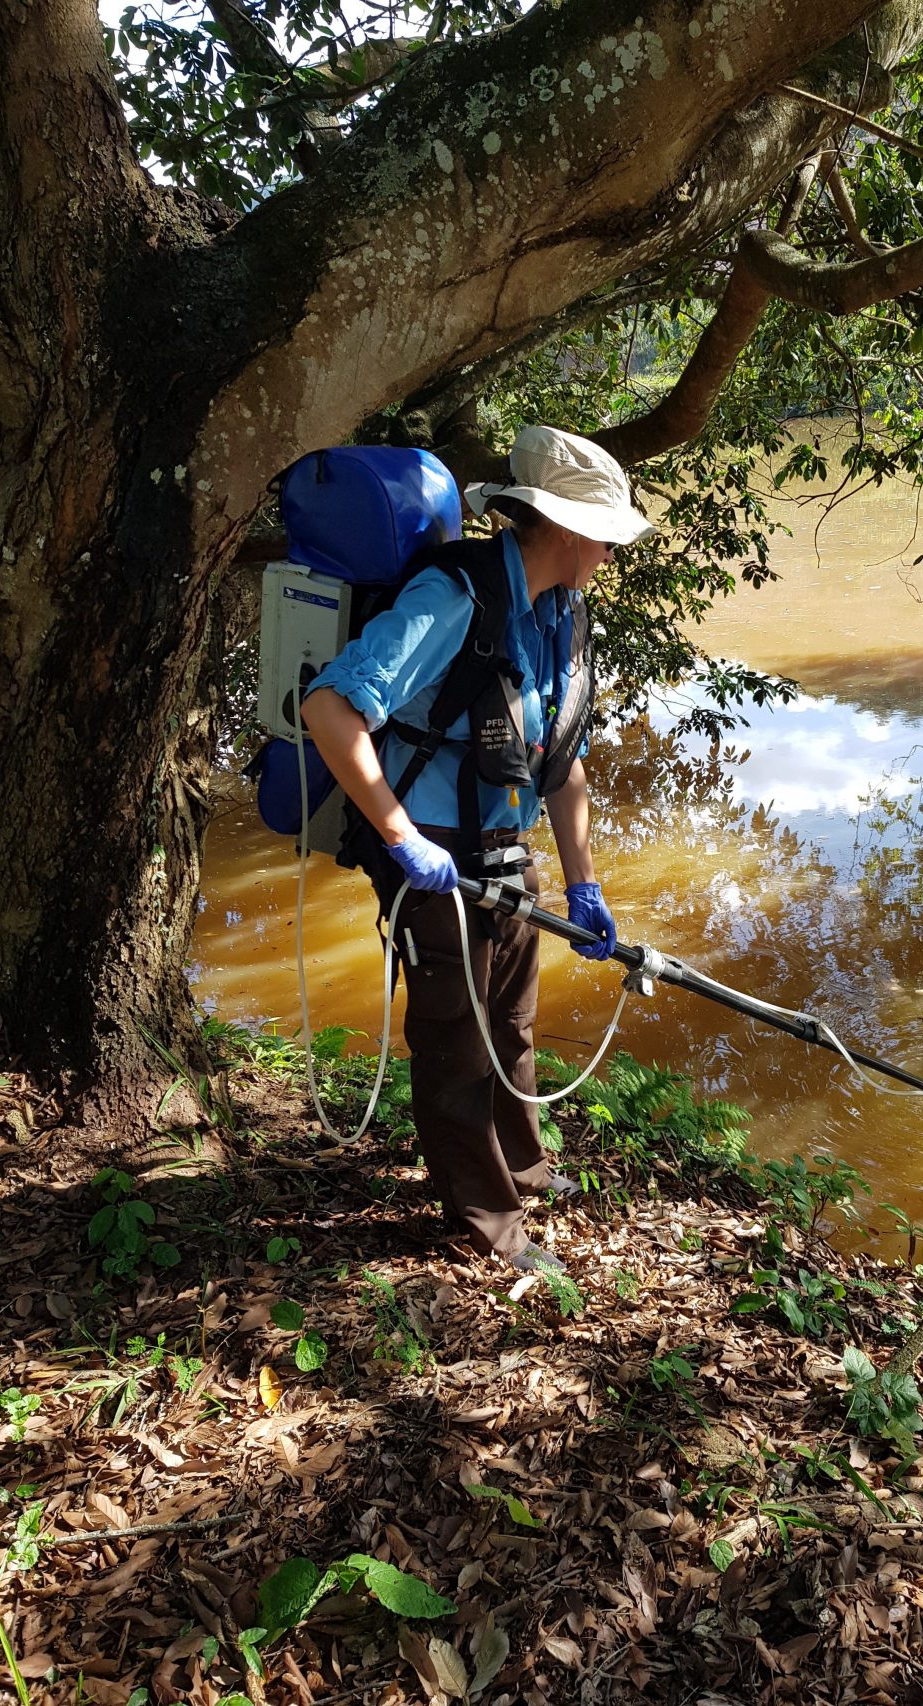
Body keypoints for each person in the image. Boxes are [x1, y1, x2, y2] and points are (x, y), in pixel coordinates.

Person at [300, 426, 654, 1271]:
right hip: (436, 849)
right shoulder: (451, 598)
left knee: (513, 1022)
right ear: (563, 530)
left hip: (505, 843)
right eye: (604, 534)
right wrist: (402, 839)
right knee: (456, 1044)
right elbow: (328, 709)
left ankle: (523, 1168)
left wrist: (584, 886)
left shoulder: (560, 614)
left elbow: (560, 766)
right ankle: (487, 1222)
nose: (610, 550)